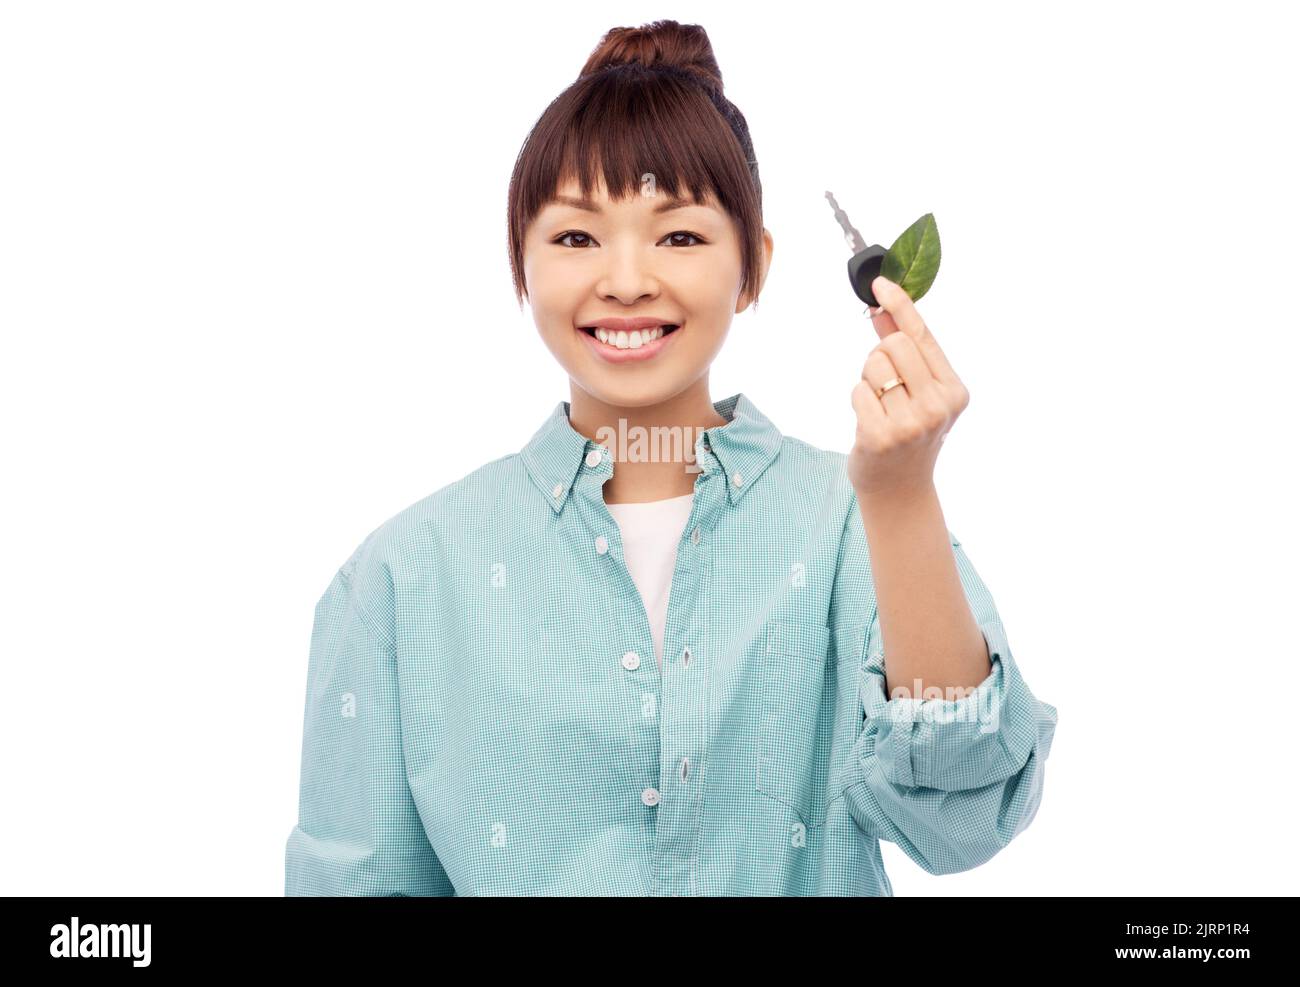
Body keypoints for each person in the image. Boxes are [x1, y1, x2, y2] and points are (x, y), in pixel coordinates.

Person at [285, 18, 1058, 896]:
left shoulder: (850, 524)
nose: (625, 279)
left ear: (752, 265)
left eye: (679, 236)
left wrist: (903, 494)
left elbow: (963, 818)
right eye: (577, 238)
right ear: (520, 263)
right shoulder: (398, 578)